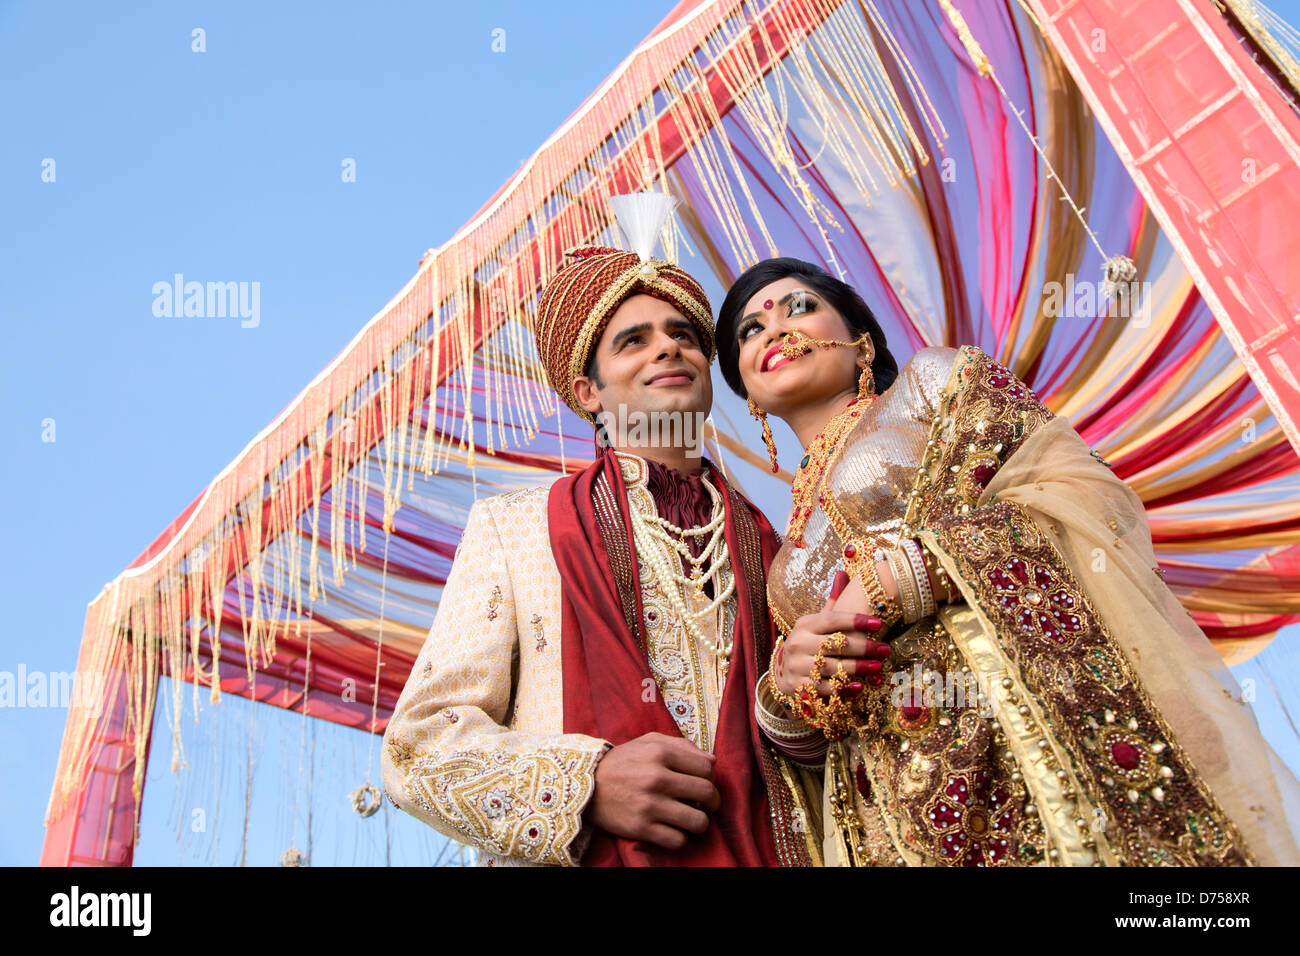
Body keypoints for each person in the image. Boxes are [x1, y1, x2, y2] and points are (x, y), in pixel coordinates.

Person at [713, 256, 1300, 866]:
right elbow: (815, 748)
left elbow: (1084, 497)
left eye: (800, 307)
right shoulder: (786, 540)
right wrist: (787, 697)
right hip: (900, 818)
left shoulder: (932, 384)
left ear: (860, 338)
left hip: (1027, 735)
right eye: (751, 330)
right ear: (747, 389)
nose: (776, 329)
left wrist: (906, 574)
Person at [381, 232, 867, 865]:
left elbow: (819, 745)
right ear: (588, 392)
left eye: (683, 334)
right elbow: (417, 746)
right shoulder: (517, 526)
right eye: (634, 341)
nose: (668, 347)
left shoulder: (776, 545)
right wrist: (586, 785)